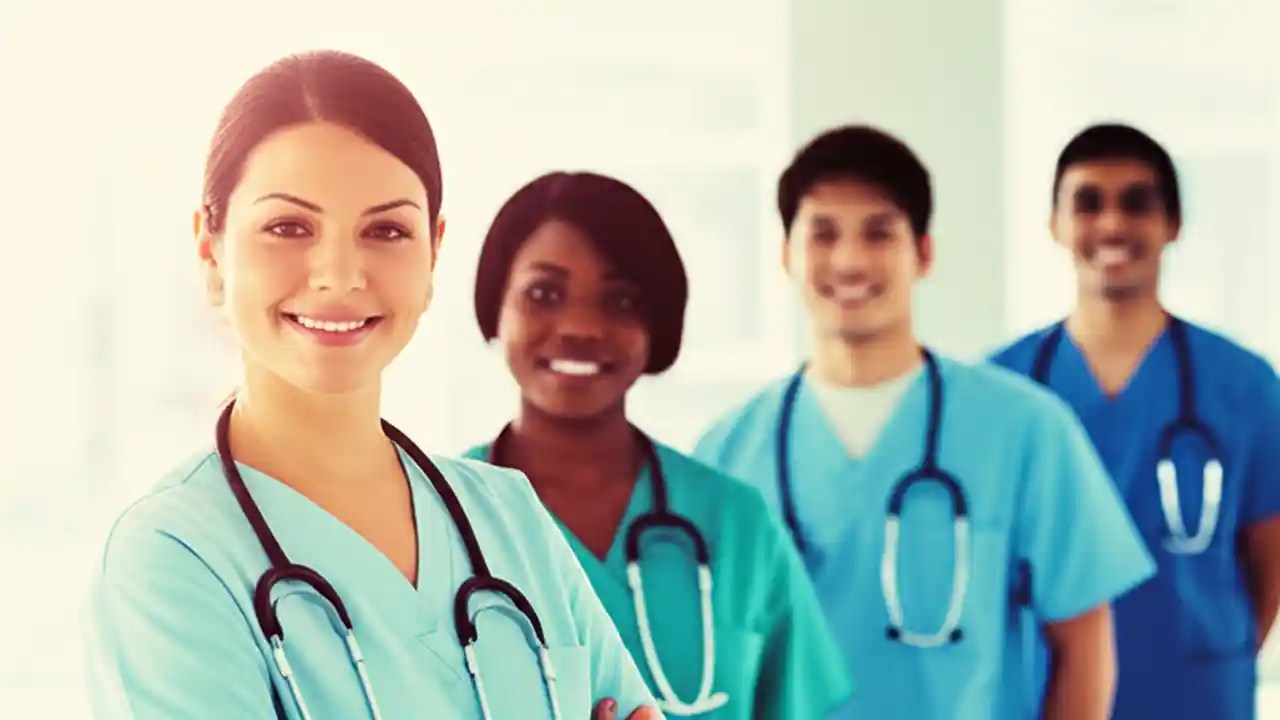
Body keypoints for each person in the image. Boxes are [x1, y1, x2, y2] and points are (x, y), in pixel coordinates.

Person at [82, 50, 661, 720]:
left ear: (434, 252)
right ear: (211, 254)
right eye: (288, 227)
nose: (340, 274)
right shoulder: (173, 558)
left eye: (386, 230)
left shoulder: (511, 518)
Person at [690, 125, 1157, 719]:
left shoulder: (1024, 430)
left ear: (924, 252)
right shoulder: (725, 453)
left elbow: (1084, 643)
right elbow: (712, 658)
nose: (851, 259)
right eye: (823, 233)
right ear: (786, 254)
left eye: (879, 232)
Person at [460, 171, 853, 719]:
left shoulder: (736, 523)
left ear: (657, 324)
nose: (579, 326)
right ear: (494, 303)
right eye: (544, 293)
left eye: (619, 300)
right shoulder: (430, 519)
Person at [990, 122, 1280, 720]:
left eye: (1137, 203)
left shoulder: (1244, 384)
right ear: (1055, 225)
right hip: (1046, 693)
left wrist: (1211, 648)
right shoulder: (1002, 389)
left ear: (1172, 225)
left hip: (1196, 694)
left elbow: (1269, 559)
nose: (1113, 225)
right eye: (1088, 203)